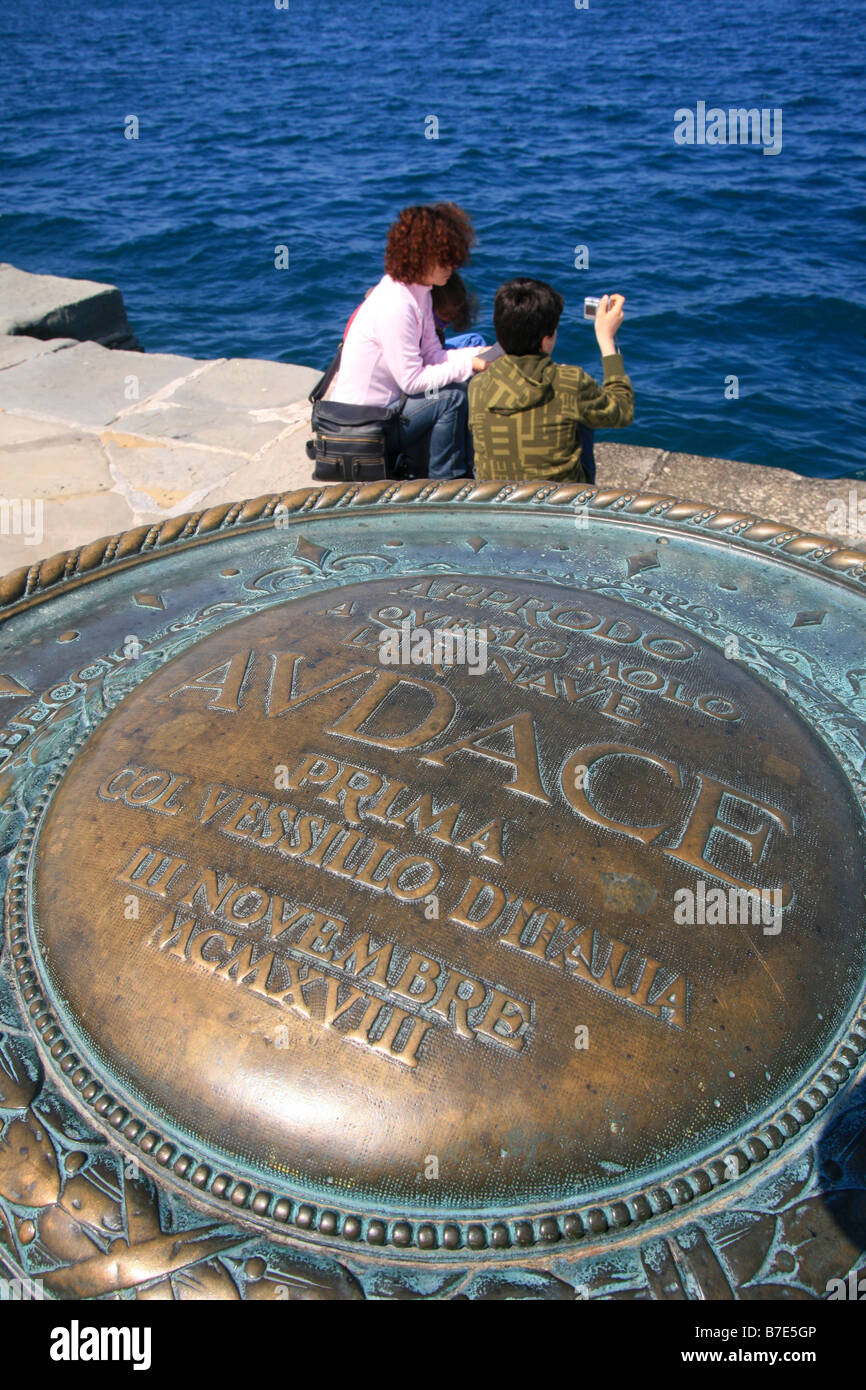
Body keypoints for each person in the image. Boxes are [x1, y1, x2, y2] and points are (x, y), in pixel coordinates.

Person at [331, 203, 488, 480]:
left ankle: (460, 473)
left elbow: (432, 354)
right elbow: (412, 381)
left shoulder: (420, 292)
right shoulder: (397, 304)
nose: (453, 266)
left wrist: (480, 355)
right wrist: (469, 365)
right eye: (445, 259)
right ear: (420, 257)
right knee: (452, 398)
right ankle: (445, 485)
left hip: (385, 411)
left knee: (460, 379)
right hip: (365, 424)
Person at [467, 278, 633, 484]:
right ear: (546, 340)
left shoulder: (478, 386)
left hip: (498, 505)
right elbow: (623, 410)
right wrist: (607, 339)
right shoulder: (570, 383)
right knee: (580, 407)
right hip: (559, 507)